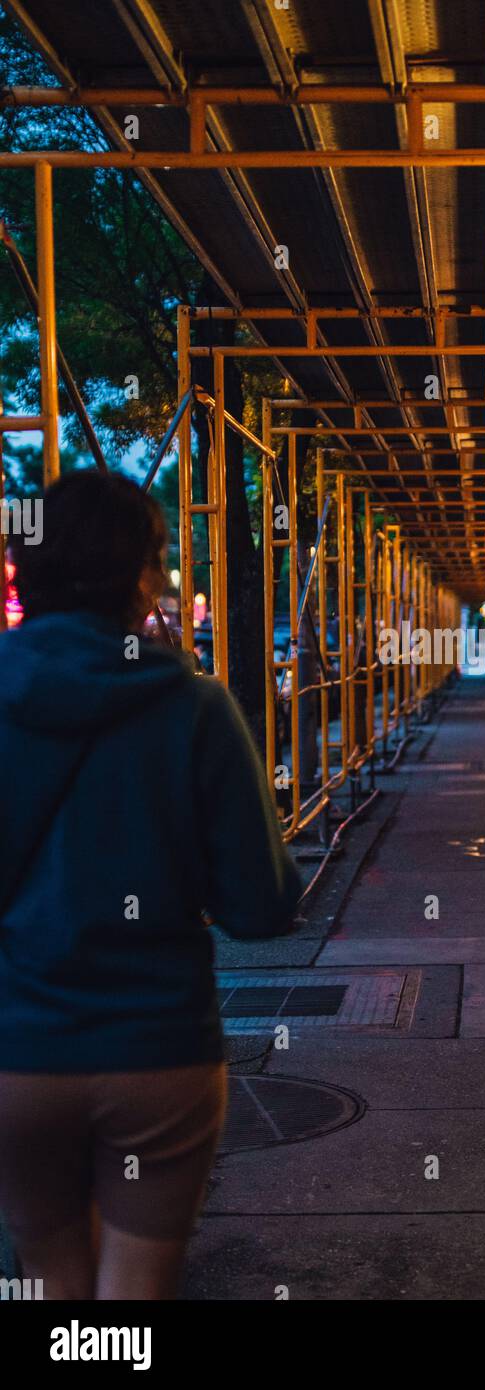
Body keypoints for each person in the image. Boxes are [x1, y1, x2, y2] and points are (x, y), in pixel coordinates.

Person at [0, 470, 301, 1300]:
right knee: (135, 1293)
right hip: (156, 1050)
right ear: (141, 574)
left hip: (18, 1051)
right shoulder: (194, 707)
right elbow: (263, 906)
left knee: (51, 1284)